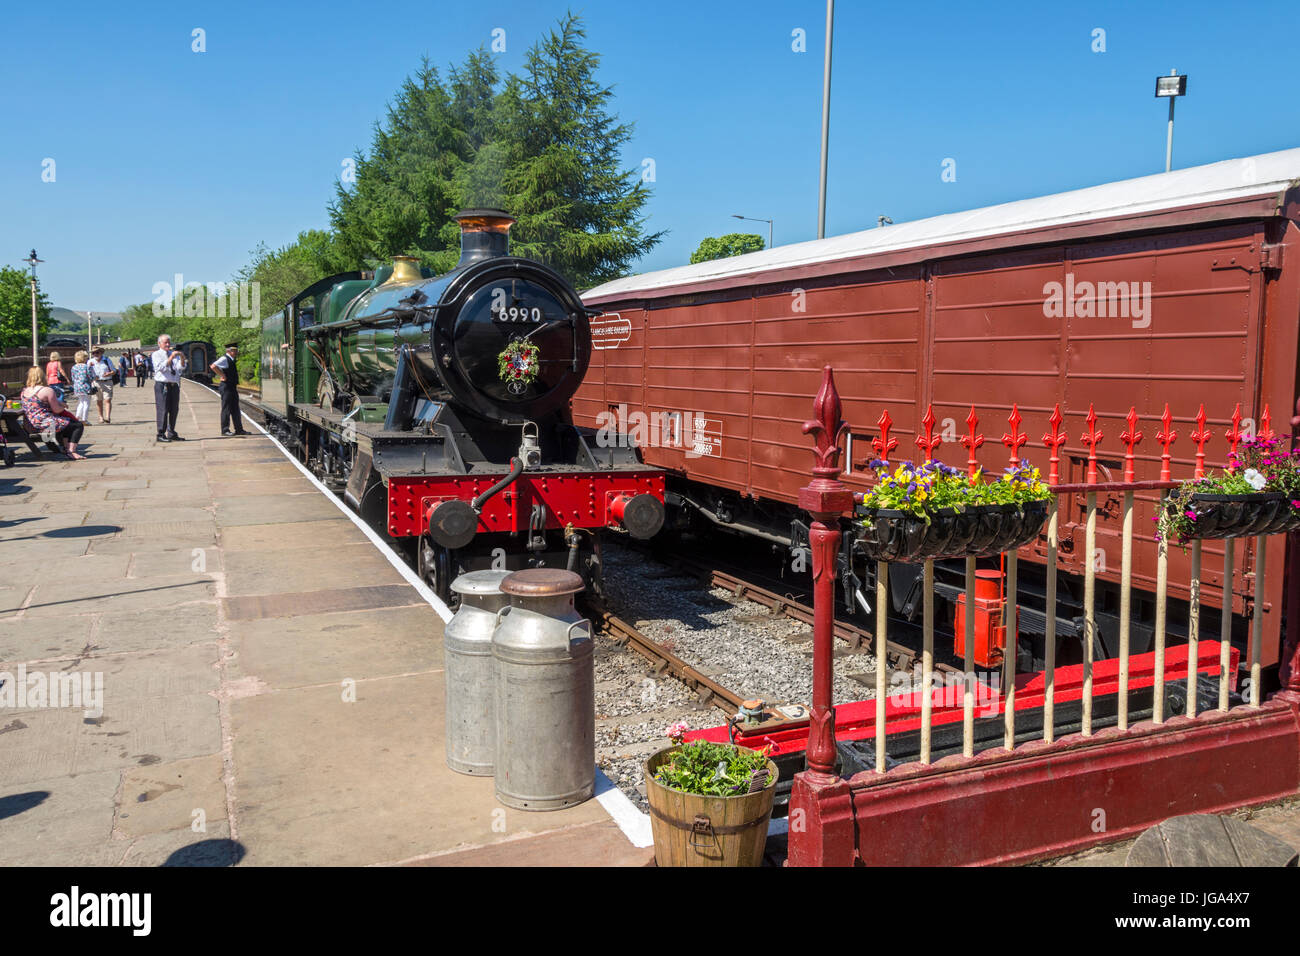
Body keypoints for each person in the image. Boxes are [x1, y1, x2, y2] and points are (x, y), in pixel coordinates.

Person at [20, 366, 86, 460]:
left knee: (65, 423)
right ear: (42, 376)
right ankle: (72, 451)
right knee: (77, 425)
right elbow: (56, 410)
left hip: (29, 425)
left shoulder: (24, 391)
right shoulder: (47, 390)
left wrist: (58, 403)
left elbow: (37, 404)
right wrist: (63, 405)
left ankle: (65, 448)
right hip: (45, 424)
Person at [151, 334, 187, 442]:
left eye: (169, 342)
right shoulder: (156, 354)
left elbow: (181, 368)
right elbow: (160, 368)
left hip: (173, 385)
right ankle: (160, 434)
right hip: (162, 385)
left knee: (174, 409)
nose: (168, 344)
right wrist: (171, 357)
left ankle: (171, 432)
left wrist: (181, 357)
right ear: (159, 343)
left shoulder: (173, 354)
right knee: (163, 409)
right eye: (165, 342)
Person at [209, 342, 248, 436]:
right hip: (226, 386)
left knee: (235, 408)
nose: (237, 352)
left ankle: (239, 429)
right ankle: (225, 430)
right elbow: (213, 366)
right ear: (229, 351)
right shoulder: (224, 358)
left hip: (232, 386)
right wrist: (222, 375)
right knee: (226, 408)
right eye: (235, 350)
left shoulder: (231, 359)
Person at [89, 347, 115, 424]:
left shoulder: (107, 360)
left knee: (107, 399)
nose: (95, 354)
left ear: (101, 353)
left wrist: (109, 373)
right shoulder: (90, 362)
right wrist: (92, 375)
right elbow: (87, 372)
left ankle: (107, 417)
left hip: (107, 382)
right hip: (96, 383)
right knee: (99, 400)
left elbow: (114, 370)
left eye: (97, 352)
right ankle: (101, 417)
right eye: (93, 353)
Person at [69, 350, 93, 422]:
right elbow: (90, 377)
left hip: (77, 387)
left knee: (81, 402)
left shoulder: (73, 367)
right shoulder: (86, 367)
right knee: (86, 402)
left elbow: (73, 378)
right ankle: (84, 419)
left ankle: (77, 417)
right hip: (86, 386)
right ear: (84, 358)